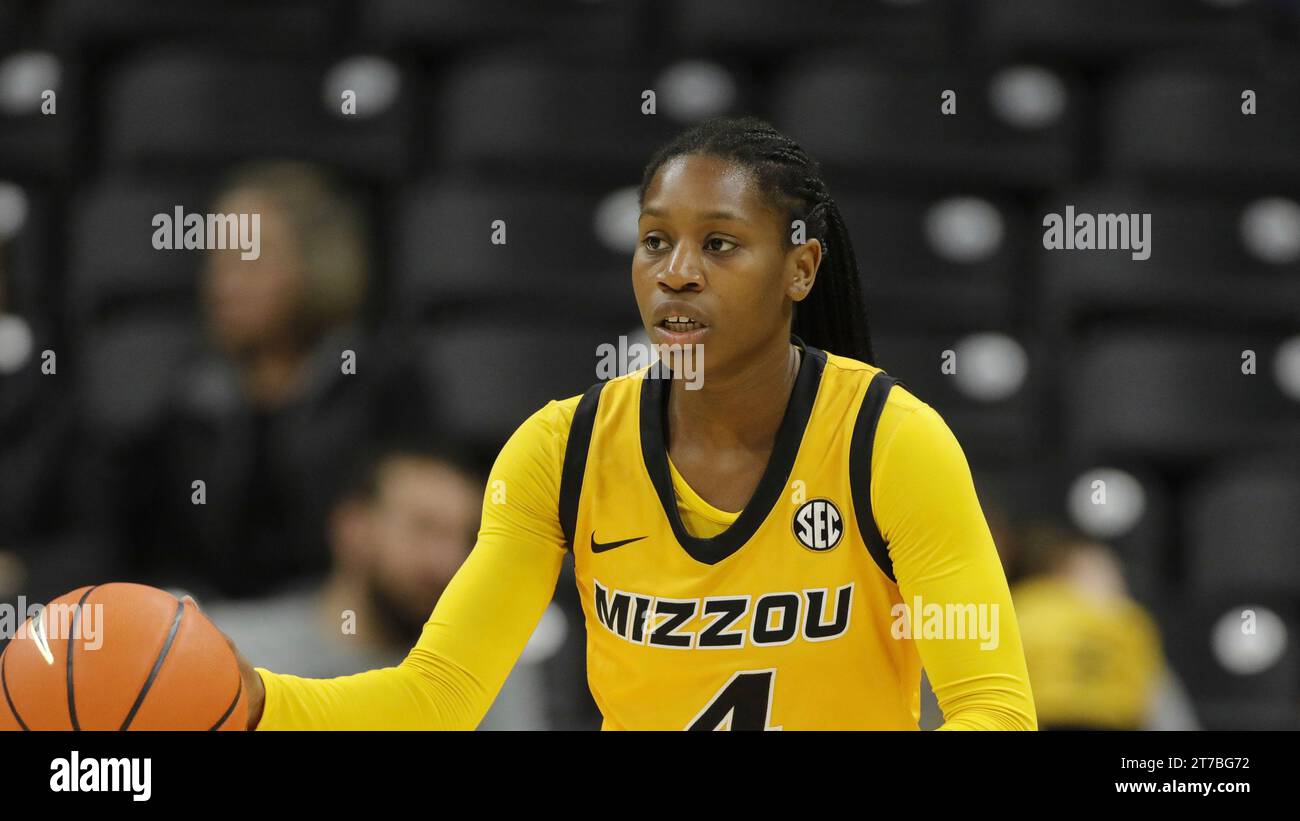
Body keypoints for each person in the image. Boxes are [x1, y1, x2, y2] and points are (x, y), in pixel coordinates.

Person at [232, 116, 1038, 730]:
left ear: (800, 268)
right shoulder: (562, 451)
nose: (677, 274)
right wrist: (249, 701)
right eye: (656, 242)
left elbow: (994, 711)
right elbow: (437, 695)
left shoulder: (890, 441)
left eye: (719, 245)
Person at [106, 161, 433, 599]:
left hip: (346, 632)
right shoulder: (191, 397)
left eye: (247, 260)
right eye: (216, 263)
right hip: (215, 631)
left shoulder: (382, 386)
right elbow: (147, 546)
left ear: (314, 265)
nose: (225, 285)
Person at [204, 444, 569, 730]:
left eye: (464, 538)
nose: (447, 561)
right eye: (423, 528)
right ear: (352, 529)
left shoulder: (490, 672)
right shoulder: (233, 653)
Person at [1011, 522, 1196, 731]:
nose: (1118, 582)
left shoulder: (1016, 612)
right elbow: (1171, 718)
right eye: (1105, 570)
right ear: (1063, 569)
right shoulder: (1126, 620)